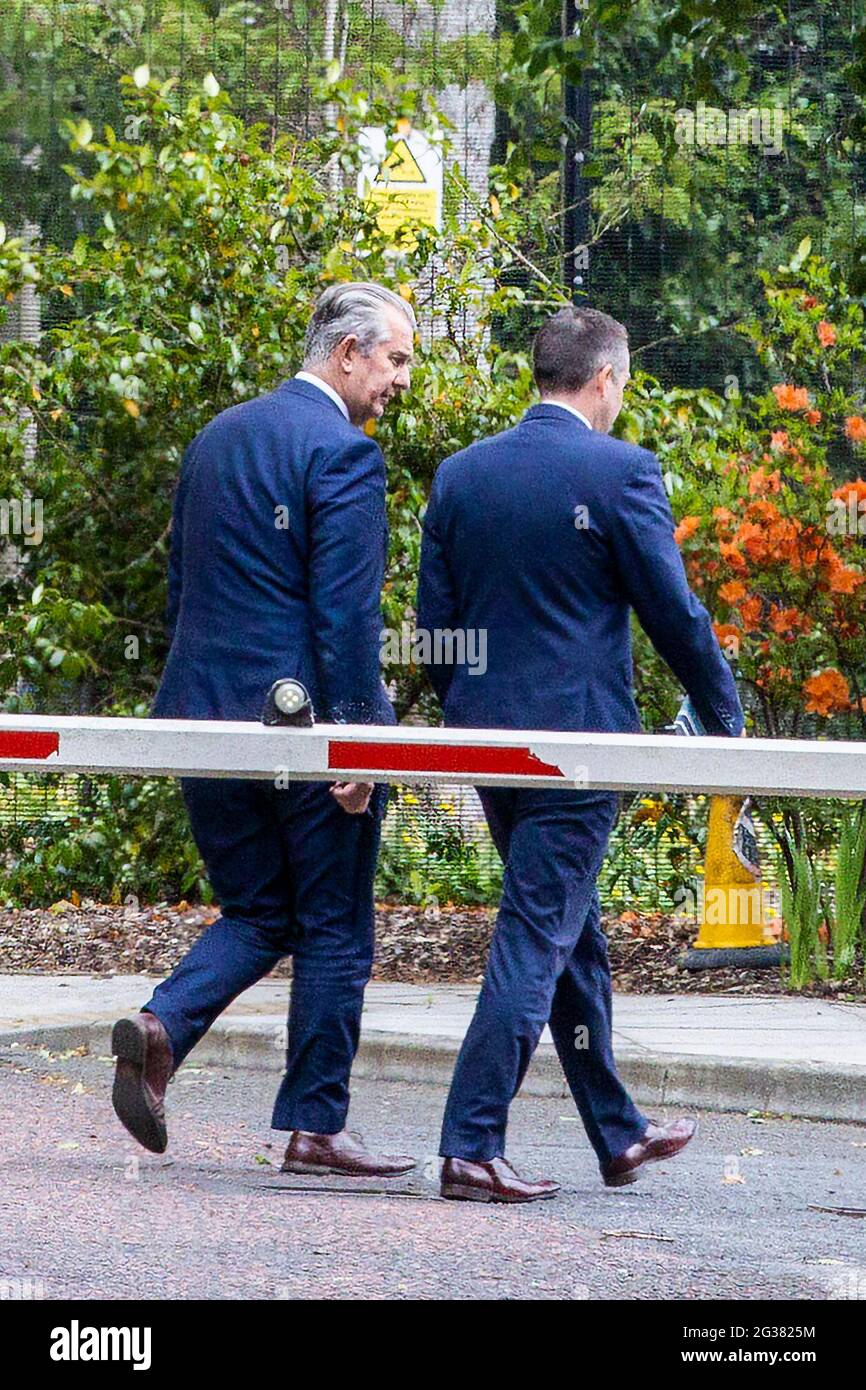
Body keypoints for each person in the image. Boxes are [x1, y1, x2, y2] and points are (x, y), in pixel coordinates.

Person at [417, 305, 745, 1204]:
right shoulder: (621, 471)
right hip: (578, 749)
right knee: (537, 934)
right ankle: (471, 1144)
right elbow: (673, 615)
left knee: (573, 936)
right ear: (606, 379)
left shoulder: (460, 475)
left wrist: (475, 720)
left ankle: (617, 1131)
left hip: (492, 745)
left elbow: (433, 631)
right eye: (624, 382)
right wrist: (726, 722)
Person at [112, 281, 418, 1180]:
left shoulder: (218, 438)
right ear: (348, 352)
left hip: (202, 721)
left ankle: (163, 1027)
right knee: (334, 925)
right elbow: (347, 622)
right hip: (302, 732)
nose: (402, 378)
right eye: (395, 358)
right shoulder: (345, 456)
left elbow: (181, 591)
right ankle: (316, 1128)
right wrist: (361, 743)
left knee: (259, 908)